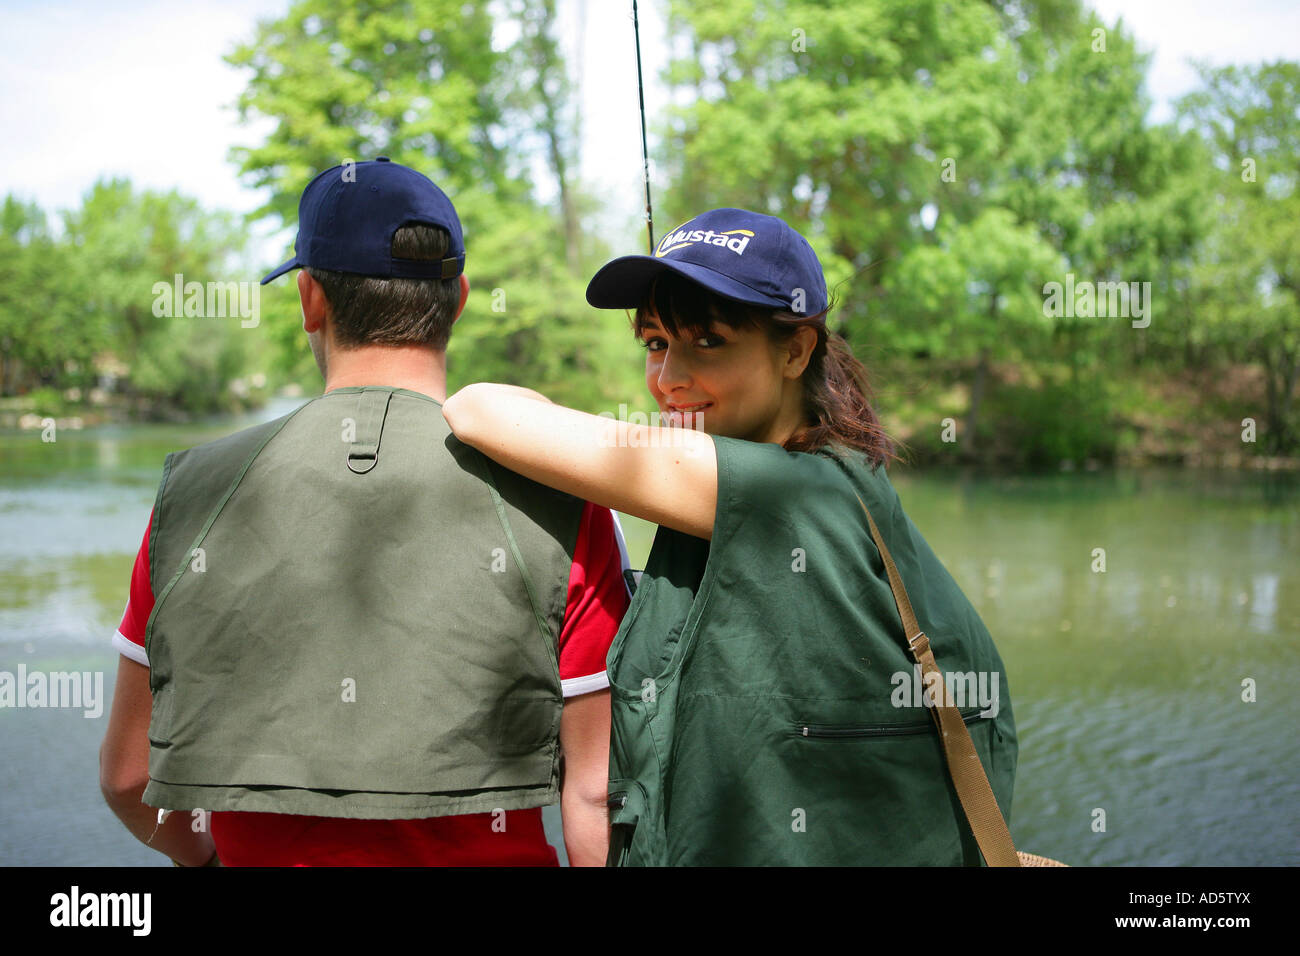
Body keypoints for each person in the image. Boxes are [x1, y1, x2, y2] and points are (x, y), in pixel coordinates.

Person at [442, 207, 1018, 865]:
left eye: (707, 341)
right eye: (656, 343)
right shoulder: (835, 478)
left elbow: (478, 409)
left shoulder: (779, 491)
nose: (668, 379)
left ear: (797, 349)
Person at [99, 158, 629, 866]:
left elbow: (129, 777)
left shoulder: (194, 492)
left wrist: (209, 859)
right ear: (460, 298)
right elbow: (595, 795)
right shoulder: (565, 495)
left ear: (310, 298)